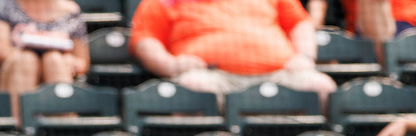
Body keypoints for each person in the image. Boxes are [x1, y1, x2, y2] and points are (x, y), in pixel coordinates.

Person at [128, 0, 338, 111]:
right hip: (213, 77)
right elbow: (145, 39)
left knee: (321, 86)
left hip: (281, 74)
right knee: (194, 87)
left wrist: (305, 56)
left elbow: (299, 23)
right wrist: (171, 65)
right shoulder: (165, 1)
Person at [0, 0, 89, 125]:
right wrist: (37, 60)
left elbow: (82, 62)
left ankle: (63, 129)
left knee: (54, 60)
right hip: (11, 73)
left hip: (55, 71)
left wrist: (71, 60)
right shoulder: (3, 5)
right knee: (26, 60)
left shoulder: (71, 10)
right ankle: (18, 129)